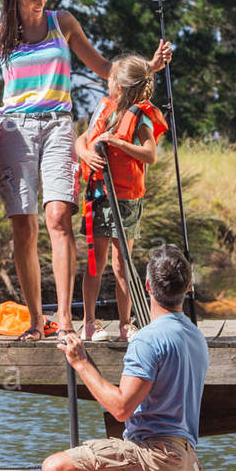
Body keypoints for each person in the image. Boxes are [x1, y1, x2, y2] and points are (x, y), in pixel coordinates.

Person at [0, 0, 171, 340]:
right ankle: (34, 320)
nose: (40, 4)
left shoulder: (62, 23)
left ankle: (64, 322)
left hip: (58, 125)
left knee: (59, 218)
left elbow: (106, 69)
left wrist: (150, 65)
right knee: (24, 227)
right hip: (14, 131)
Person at [43, 245, 207, 471]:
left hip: (158, 458)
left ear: (148, 286)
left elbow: (121, 409)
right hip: (187, 463)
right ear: (187, 288)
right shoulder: (197, 336)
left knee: (54, 466)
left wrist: (81, 363)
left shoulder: (148, 339)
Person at [76, 54, 167, 342]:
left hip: (125, 199)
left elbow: (151, 155)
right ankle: (89, 323)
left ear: (124, 87)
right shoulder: (104, 107)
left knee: (121, 264)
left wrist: (117, 141)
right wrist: (85, 153)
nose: (107, 82)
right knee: (95, 262)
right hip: (98, 197)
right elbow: (82, 139)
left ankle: (126, 324)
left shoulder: (140, 117)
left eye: (112, 79)